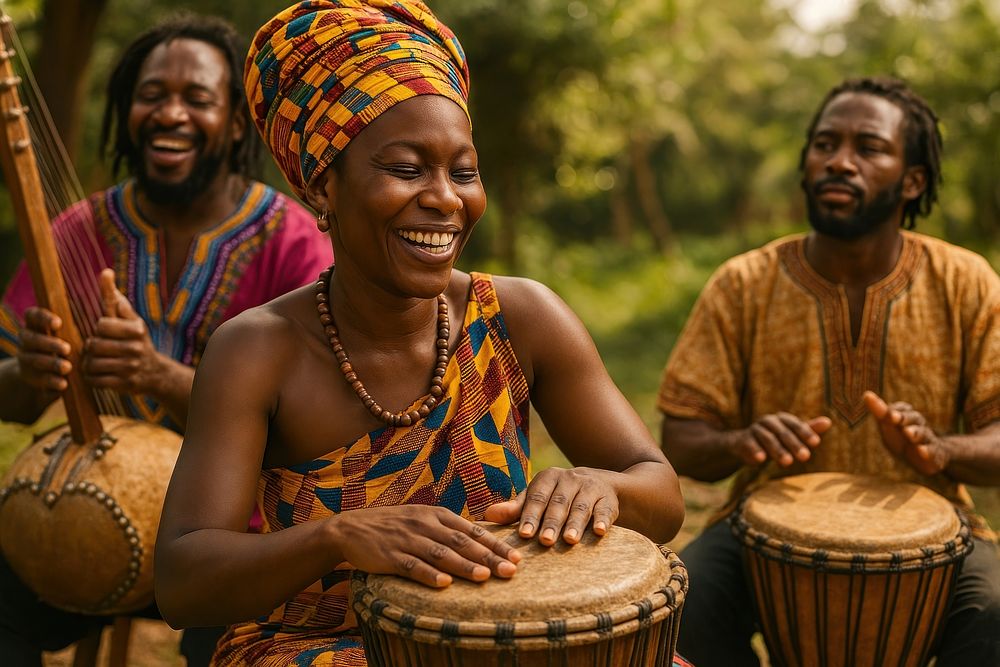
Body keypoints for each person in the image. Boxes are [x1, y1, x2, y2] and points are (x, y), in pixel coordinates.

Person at [152, 2, 686, 665]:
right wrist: (336, 536)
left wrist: (605, 487)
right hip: (321, 646)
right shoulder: (257, 350)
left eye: (463, 172)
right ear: (322, 187)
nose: (446, 198)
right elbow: (183, 581)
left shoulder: (521, 316)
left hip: (504, 640)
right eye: (406, 170)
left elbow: (661, 493)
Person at [0, 13, 333, 667]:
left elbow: (316, 427)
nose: (170, 113)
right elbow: (9, 396)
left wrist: (159, 375)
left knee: (241, 651)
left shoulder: (295, 244)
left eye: (197, 98)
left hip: (237, 535)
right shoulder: (77, 230)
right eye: (151, 95)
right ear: (127, 111)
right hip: (86, 513)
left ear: (234, 123)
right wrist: (33, 372)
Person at [659, 76, 1000, 666]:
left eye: (869, 147)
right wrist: (743, 441)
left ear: (913, 180)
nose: (839, 161)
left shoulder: (966, 282)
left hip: (939, 527)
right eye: (824, 144)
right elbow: (680, 439)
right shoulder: (743, 284)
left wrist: (940, 450)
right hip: (758, 526)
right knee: (675, 608)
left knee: (996, 611)